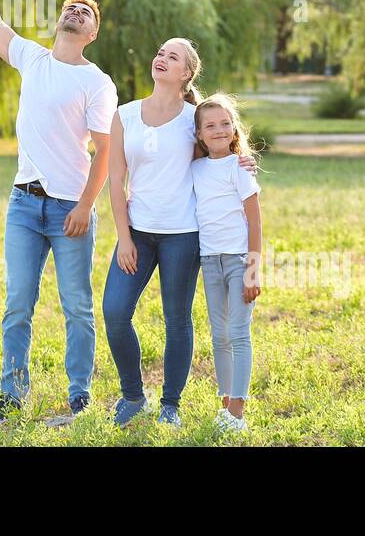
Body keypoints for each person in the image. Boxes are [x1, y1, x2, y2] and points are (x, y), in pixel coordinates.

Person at [0, 0, 117, 423]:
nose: (76, 13)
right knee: (17, 306)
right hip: (24, 206)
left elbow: (104, 152)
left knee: (76, 307)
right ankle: (11, 395)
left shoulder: (96, 82)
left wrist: (85, 207)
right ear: (59, 21)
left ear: (92, 33)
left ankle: (79, 396)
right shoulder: (32, 58)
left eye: (85, 14)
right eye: (71, 9)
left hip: (71, 209)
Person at [103, 39, 255, 428]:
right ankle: (133, 396)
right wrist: (124, 237)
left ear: (186, 73)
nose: (161, 58)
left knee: (177, 319)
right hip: (137, 232)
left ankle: (171, 403)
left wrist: (245, 159)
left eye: (172, 56)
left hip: (183, 236)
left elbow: (221, 146)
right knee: (115, 311)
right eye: (159, 52)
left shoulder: (193, 119)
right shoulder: (125, 116)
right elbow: (115, 179)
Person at [192, 92, 264, 434]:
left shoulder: (240, 169)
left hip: (238, 261)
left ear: (234, 129)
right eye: (210, 125)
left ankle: (237, 411)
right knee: (219, 335)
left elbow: (255, 222)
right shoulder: (195, 169)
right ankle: (225, 402)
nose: (219, 130)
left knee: (238, 332)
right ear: (200, 135)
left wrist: (252, 269)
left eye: (225, 123)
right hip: (210, 261)